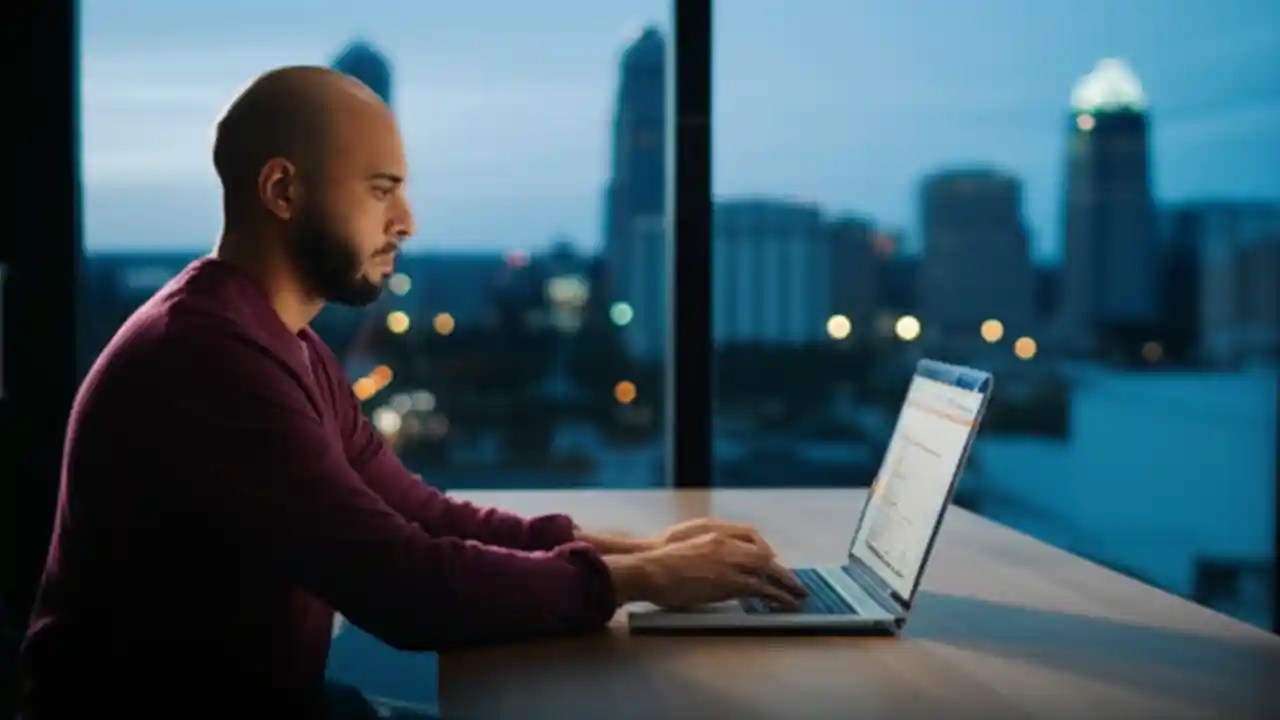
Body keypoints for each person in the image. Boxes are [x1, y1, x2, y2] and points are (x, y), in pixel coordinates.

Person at [16, 66, 805, 718]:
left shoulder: (279, 341)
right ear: (283, 191)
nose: (408, 221)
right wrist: (637, 583)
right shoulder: (207, 360)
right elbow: (405, 588)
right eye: (380, 189)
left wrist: (652, 552)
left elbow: (424, 517)